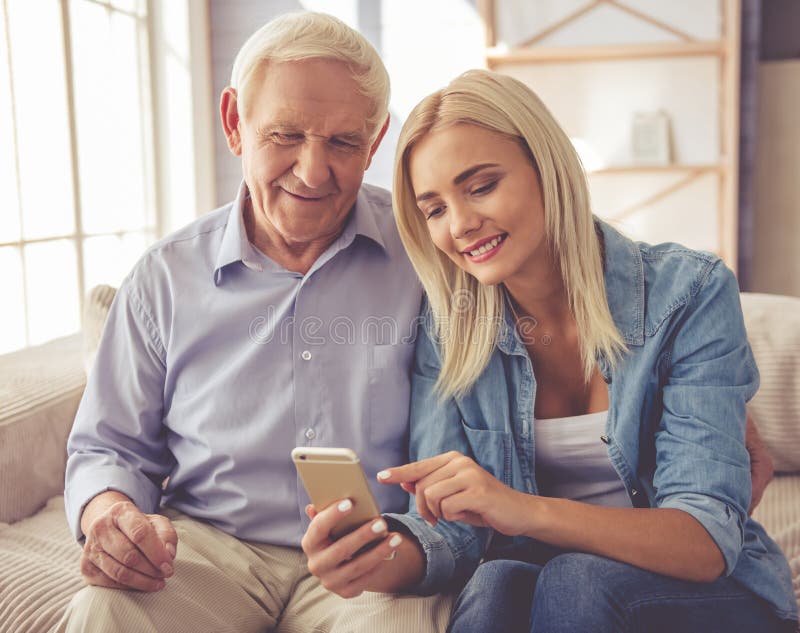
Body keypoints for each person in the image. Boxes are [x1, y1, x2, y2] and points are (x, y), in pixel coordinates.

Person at [56, 12, 452, 633]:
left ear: (375, 145)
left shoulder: (429, 258)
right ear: (235, 122)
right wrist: (110, 513)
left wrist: (411, 545)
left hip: (373, 550)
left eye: (344, 143)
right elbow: (107, 447)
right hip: (208, 551)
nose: (313, 171)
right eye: (285, 135)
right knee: (104, 612)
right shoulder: (163, 277)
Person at [366, 69, 796, 632]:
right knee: (497, 581)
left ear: (547, 168)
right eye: (436, 209)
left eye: (481, 185)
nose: (462, 225)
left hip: (710, 594)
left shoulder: (689, 294)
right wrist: (381, 554)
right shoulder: (450, 328)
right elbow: (456, 533)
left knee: (576, 577)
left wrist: (524, 510)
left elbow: (704, 541)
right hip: (555, 594)